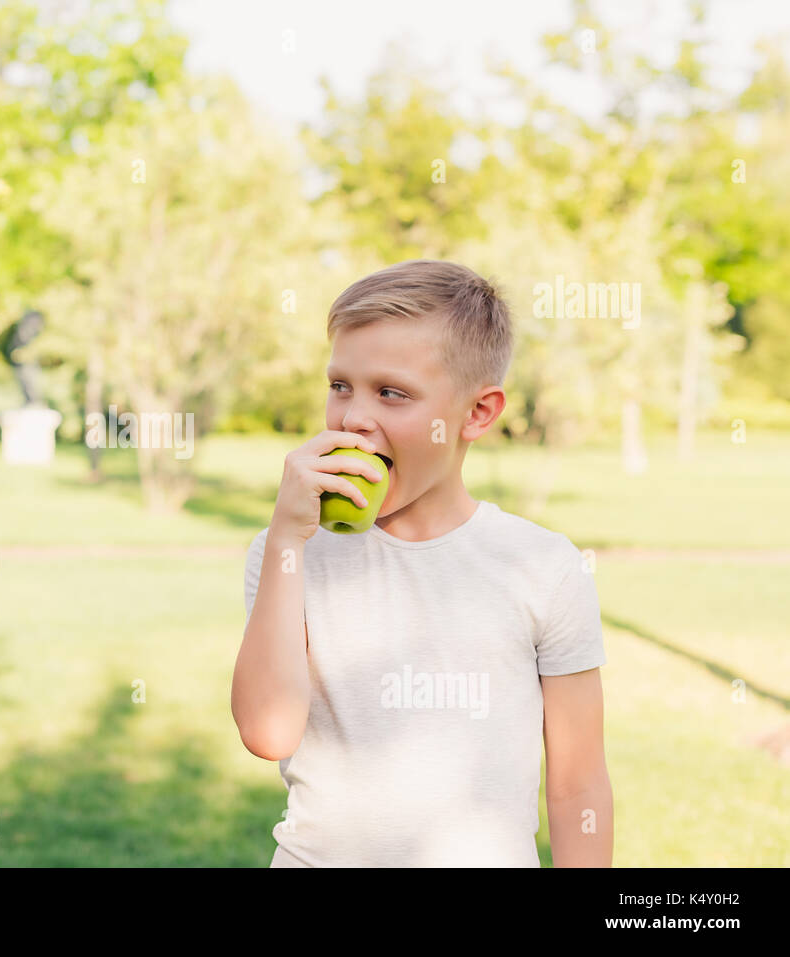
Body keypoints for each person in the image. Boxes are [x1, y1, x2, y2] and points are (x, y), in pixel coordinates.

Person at [233, 260, 611, 867]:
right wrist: (284, 541)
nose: (354, 417)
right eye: (340, 386)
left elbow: (578, 786)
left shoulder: (543, 567)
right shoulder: (289, 554)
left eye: (392, 393)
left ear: (477, 414)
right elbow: (268, 732)